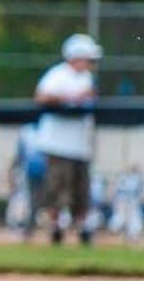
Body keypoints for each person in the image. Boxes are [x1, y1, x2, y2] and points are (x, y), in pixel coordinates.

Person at [34, 33, 102, 246]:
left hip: (80, 145)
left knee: (81, 191)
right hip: (58, 145)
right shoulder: (58, 74)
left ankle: (82, 229)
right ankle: (55, 229)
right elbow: (41, 97)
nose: (90, 63)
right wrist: (73, 98)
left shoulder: (87, 78)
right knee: (57, 190)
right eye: (87, 58)